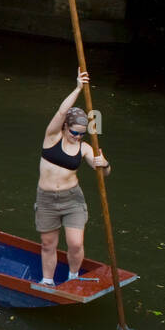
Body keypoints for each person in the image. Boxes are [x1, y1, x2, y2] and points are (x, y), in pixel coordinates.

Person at [34, 69, 110, 289]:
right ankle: (47, 281)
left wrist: (103, 164)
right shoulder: (51, 137)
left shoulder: (84, 148)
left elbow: (104, 174)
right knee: (48, 243)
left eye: (81, 133)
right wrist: (78, 87)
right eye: (74, 132)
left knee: (76, 244)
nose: (77, 136)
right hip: (47, 199)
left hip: (72, 199)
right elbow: (61, 111)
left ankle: (73, 277)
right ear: (65, 126)